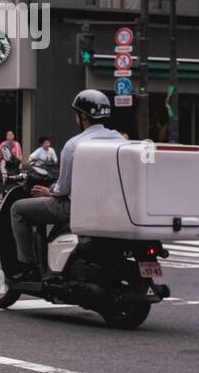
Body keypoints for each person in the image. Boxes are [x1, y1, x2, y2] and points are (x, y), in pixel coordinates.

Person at [10, 91, 124, 282]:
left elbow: (62, 189)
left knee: (17, 209)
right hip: (110, 207)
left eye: (77, 113)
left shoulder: (74, 145)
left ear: (83, 116)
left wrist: (49, 191)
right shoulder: (119, 140)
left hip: (74, 208)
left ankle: (28, 266)